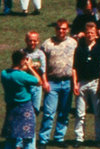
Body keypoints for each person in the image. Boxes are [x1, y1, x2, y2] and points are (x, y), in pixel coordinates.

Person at [38, 17, 78, 146]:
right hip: (52, 82)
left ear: (67, 30)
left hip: (67, 82)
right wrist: (44, 81)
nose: (61, 31)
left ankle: (59, 138)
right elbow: (41, 64)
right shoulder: (47, 44)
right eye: (59, 28)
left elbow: (77, 63)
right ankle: (44, 139)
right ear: (55, 29)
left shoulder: (73, 43)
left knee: (64, 112)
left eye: (64, 29)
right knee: (49, 113)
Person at [0, 48, 43, 149]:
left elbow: (15, 73)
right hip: (25, 108)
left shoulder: (4, 73)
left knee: (11, 137)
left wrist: (23, 67)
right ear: (22, 61)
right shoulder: (22, 76)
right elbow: (38, 81)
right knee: (28, 137)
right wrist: (30, 68)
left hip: (11, 108)